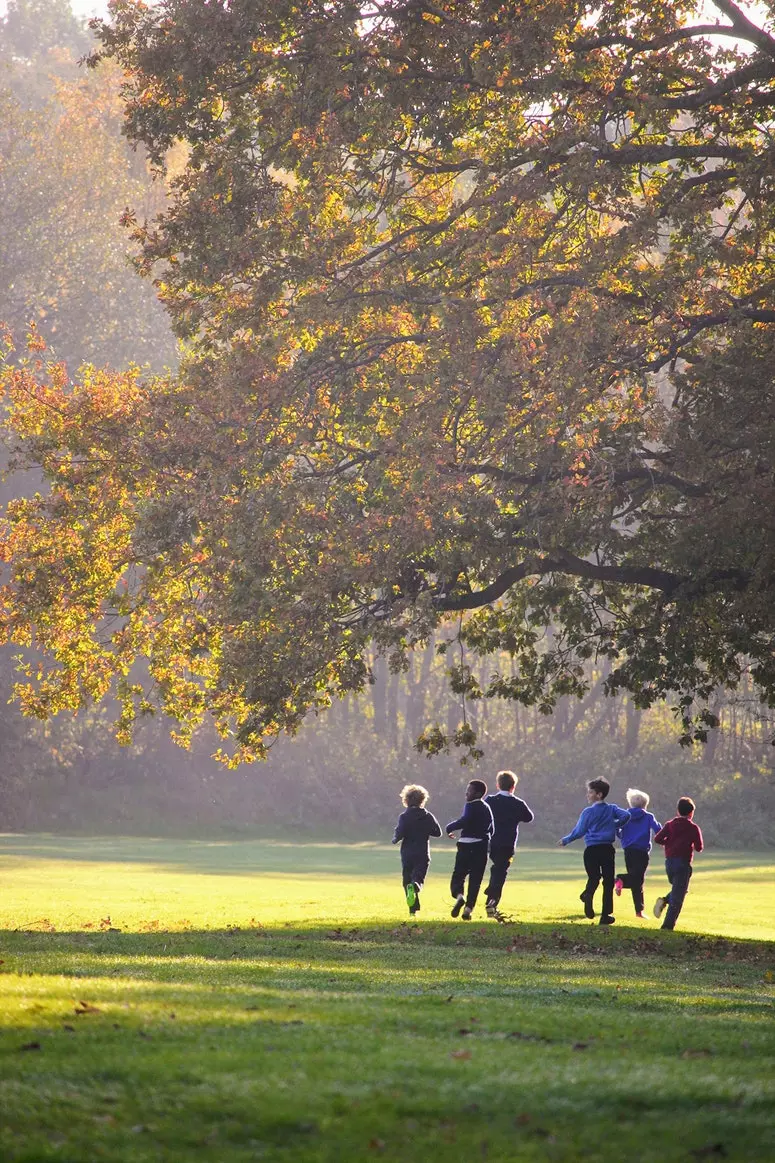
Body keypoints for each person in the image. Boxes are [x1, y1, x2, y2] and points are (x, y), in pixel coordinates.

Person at [559, 778, 630, 925]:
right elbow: (626, 816)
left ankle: (588, 895)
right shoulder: (612, 809)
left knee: (594, 878)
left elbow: (580, 831)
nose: (588, 795)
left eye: (590, 792)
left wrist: (566, 840)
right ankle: (605, 916)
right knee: (608, 881)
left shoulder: (588, 812)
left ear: (599, 794)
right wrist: (615, 825)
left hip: (591, 850)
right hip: (607, 850)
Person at [483, 770, 534, 918]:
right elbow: (529, 817)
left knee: (497, 868)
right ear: (513, 787)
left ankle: (491, 894)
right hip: (508, 844)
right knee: (501, 871)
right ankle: (492, 899)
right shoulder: (517, 803)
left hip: (492, 842)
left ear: (498, 785)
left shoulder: (491, 800)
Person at [446, 780, 494, 920]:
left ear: (478, 793)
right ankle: (468, 909)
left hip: (465, 845)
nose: (466, 792)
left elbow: (465, 820)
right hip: (481, 847)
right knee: (475, 880)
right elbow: (492, 829)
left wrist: (450, 827)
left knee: (458, 876)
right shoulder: (486, 808)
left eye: (469, 790)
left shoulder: (471, 805)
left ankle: (459, 896)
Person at [653, 796, 703, 931]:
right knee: (678, 898)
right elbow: (699, 847)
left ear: (677, 811)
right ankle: (667, 926)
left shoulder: (670, 825)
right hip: (683, 864)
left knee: (679, 890)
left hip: (669, 863)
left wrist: (668, 843)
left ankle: (664, 901)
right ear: (691, 813)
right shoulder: (693, 828)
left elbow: (657, 838)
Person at [392, 784, 442, 915]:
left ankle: (412, 910)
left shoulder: (404, 816)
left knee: (406, 879)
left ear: (406, 800)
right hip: (422, 852)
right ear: (422, 800)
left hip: (407, 853)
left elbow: (400, 832)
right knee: (418, 876)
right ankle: (416, 886)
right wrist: (425, 829)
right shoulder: (427, 816)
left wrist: (395, 838)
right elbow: (437, 832)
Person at [614, 788, 662, 918]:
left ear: (630, 803)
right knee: (638, 880)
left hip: (628, 851)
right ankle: (620, 879)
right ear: (645, 804)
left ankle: (638, 911)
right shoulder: (648, 816)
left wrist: (622, 837)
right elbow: (658, 830)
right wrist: (664, 840)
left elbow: (617, 828)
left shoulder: (624, 816)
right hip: (641, 851)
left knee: (635, 879)